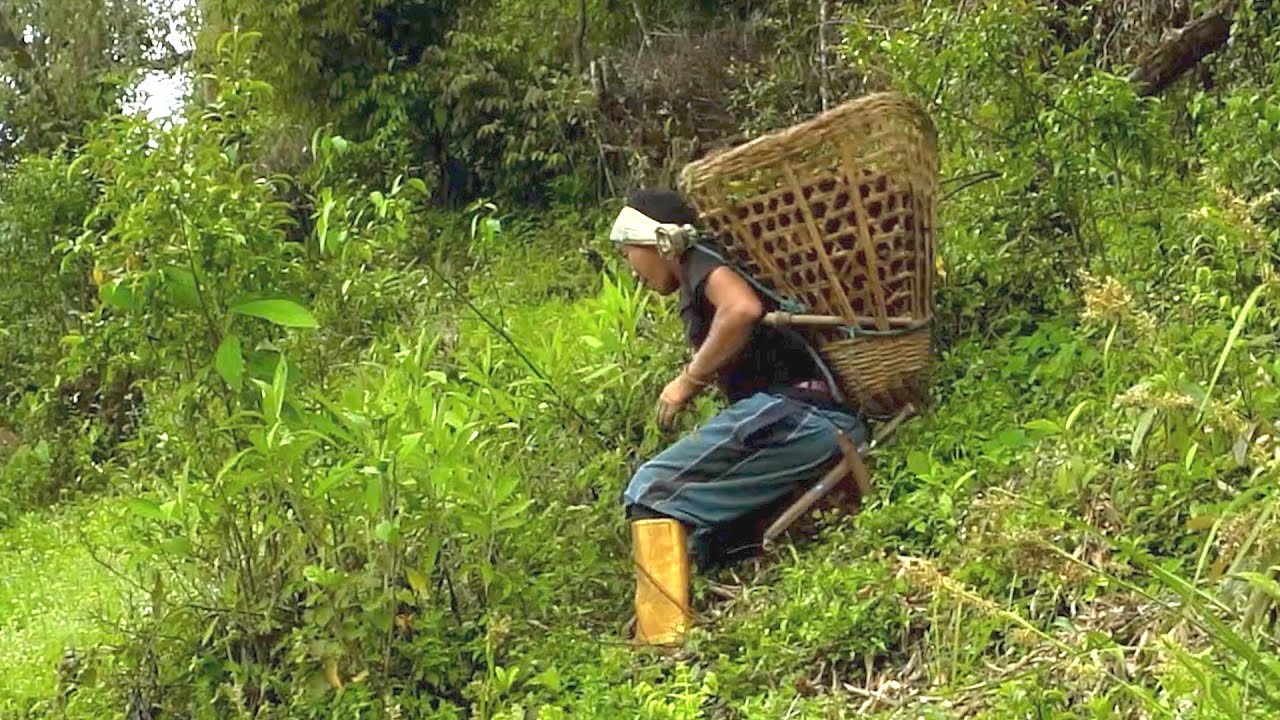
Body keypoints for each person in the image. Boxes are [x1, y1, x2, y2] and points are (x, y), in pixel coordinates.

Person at [611, 188, 869, 646]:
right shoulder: (698, 274)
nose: (631, 266)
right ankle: (661, 628)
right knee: (703, 542)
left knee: (650, 489)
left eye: (631, 251)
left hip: (799, 413)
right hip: (799, 420)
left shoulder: (705, 264)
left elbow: (742, 309)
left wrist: (688, 381)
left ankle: (661, 637)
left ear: (662, 243)